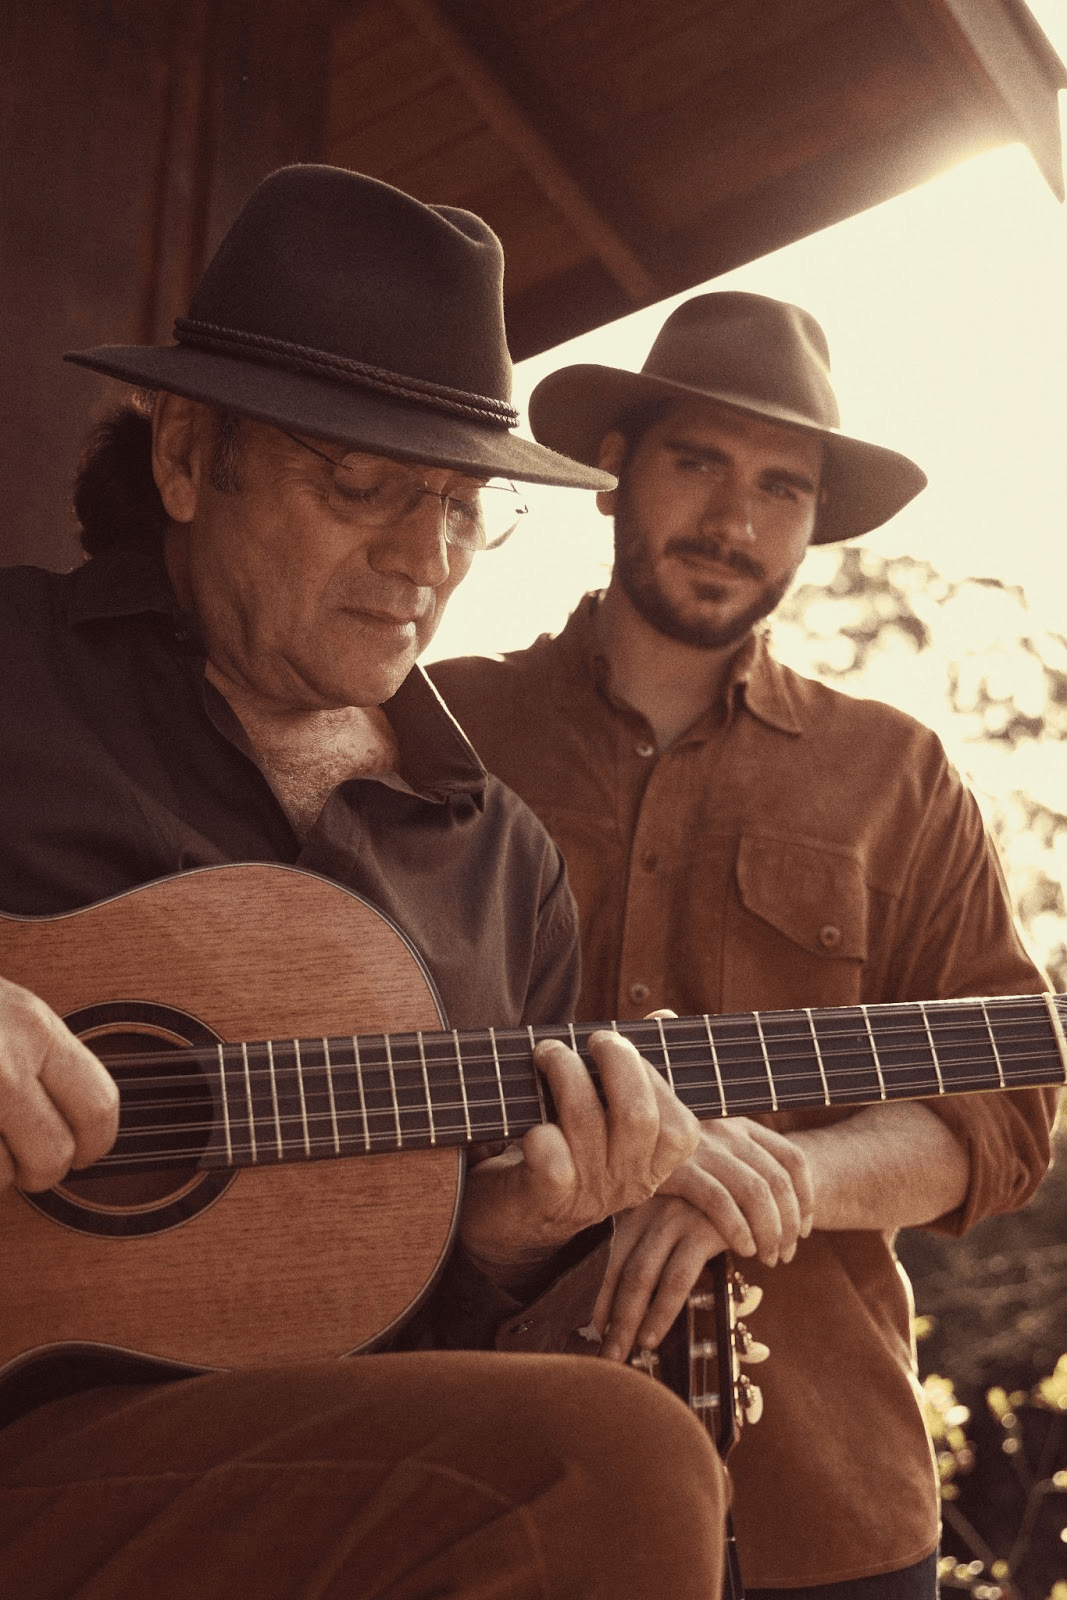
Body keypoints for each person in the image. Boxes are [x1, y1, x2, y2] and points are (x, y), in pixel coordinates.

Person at [0, 166, 730, 1599]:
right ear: (187, 455)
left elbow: (428, 1345)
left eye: (463, 505)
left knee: (602, 1459)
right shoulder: (13, 670)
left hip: (254, 1477)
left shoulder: (504, 861)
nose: (426, 559)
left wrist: (507, 1234)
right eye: (362, 487)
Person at [429, 292, 1061, 1598]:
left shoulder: (896, 775)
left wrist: (767, 1182)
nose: (732, 521)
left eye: (781, 488)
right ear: (613, 469)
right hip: (481, 1477)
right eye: (698, 463)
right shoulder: (442, 737)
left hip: (824, 1508)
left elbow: (1004, 1108)